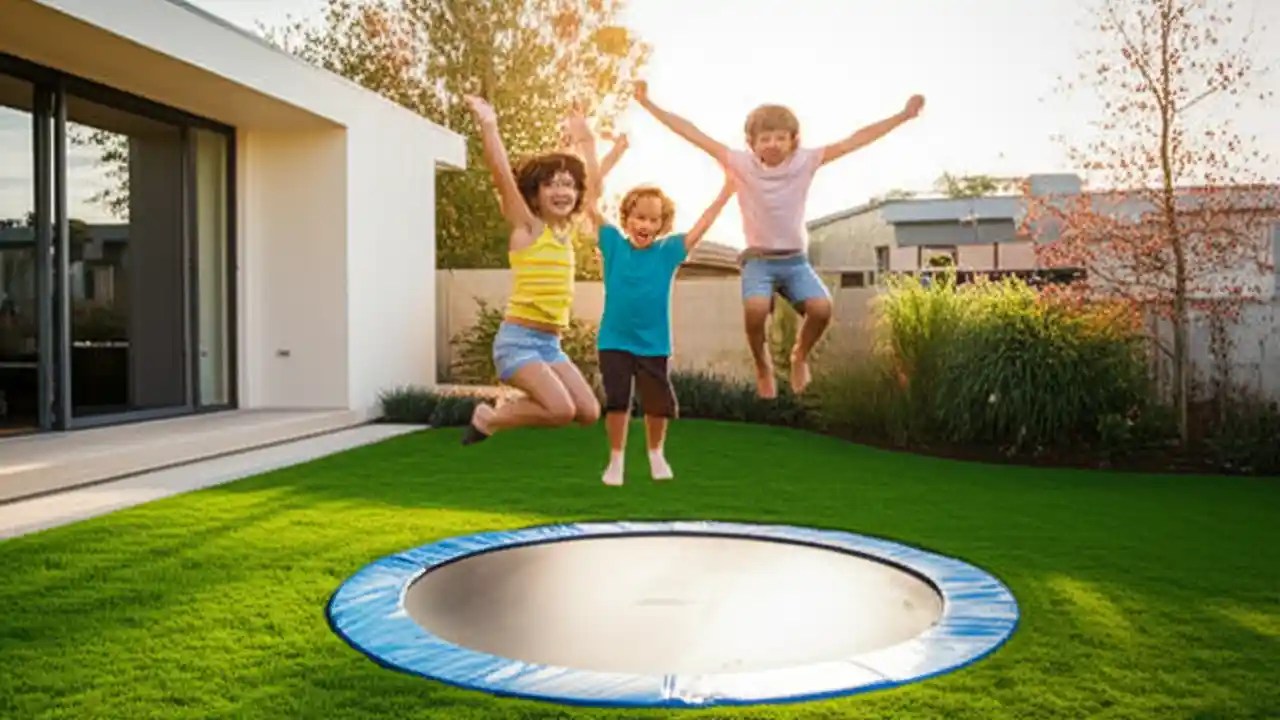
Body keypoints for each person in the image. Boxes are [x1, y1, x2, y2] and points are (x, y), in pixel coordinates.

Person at [634, 81, 925, 398]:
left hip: (795, 262)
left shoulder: (807, 161)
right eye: (764, 139)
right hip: (758, 260)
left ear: (793, 141)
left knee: (822, 309)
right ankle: (763, 365)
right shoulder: (739, 163)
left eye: (780, 138)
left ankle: (800, 356)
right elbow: (692, 134)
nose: (772, 144)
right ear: (752, 143)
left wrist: (902, 116)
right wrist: (649, 104)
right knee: (756, 310)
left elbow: (854, 141)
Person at [583, 137, 735, 485]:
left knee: (656, 404)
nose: (645, 225)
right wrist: (603, 151)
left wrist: (727, 191)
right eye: (639, 217)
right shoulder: (613, 245)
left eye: (653, 220)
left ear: (662, 224)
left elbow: (702, 225)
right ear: (627, 218)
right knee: (618, 401)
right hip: (615, 340)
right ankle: (616, 461)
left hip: (653, 343)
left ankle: (655, 454)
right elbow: (589, 200)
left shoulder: (668, 252)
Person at [460, 95, 603, 445]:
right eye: (552, 183)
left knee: (588, 412)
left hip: (551, 344)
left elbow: (595, 185)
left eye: (569, 184)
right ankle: (490, 417)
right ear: (534, 195)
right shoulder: (528, 227)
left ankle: (504, 408)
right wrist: (489, 125)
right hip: (518, 343)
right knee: (560, 411)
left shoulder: (566, 232)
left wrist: (586, 139)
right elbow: (501, 176)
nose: (562, 191)